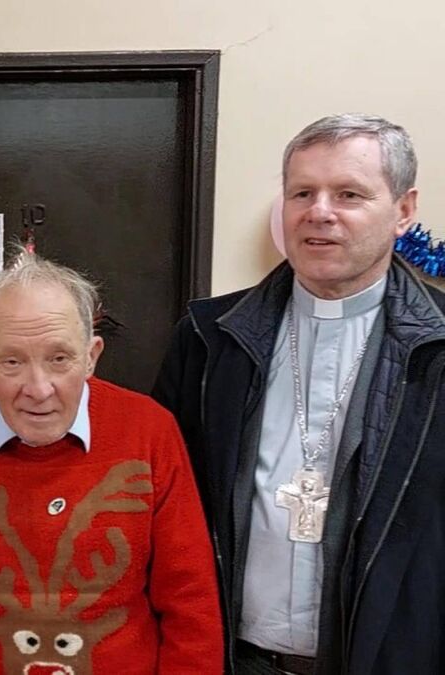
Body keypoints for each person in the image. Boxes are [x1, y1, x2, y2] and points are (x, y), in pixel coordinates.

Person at [153, 113, 445, 675]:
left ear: (403, 211)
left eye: (350, 194)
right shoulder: (208, 338)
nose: (320, 212)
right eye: (301, 192)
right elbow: (165, 506)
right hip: (233, 661)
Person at [0, 254, 222, 674]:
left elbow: (190, 602)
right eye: (11, 361)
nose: (38, 388)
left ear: (91, 356)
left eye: (59, 359)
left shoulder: (150, 432)